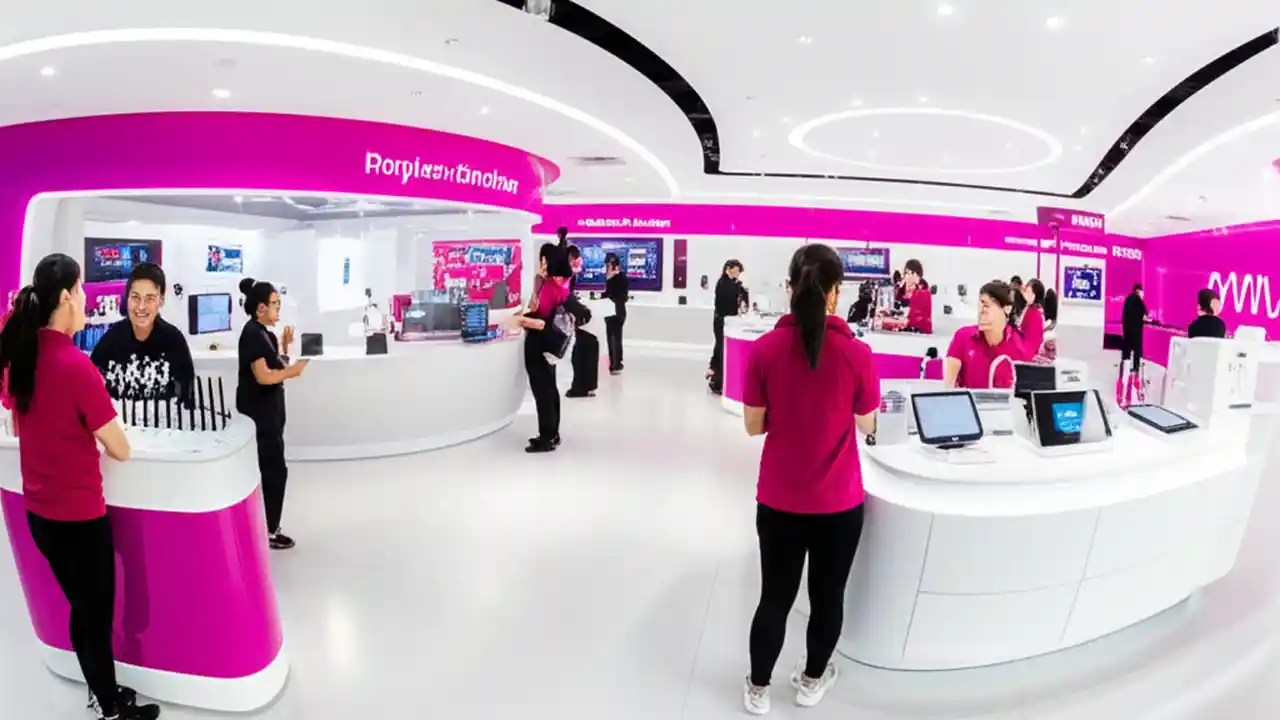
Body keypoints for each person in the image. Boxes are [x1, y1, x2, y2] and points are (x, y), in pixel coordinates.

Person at [0, 254, 160, 720]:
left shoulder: (24, 356)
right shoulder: (75, 366)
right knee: (94, 616)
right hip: (80, 521)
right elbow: (120, 448)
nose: (88, 298)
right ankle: (110, 707)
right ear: (67, 295)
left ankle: (99, 688)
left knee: (81, 608)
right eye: (83, 289)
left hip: (40, 516)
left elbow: (17, 413)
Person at [740, 244, 879, 715]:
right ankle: (812, 681)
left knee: (774, 598)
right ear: (836, 292)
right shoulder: (857, 354)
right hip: (838, 504)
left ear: (790, 288)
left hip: (779, 500)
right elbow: (868, 423)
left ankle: (758, 688)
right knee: (827, 597)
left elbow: (753, 425)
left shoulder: (764, 350)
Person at [236, 278, 308, 551]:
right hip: (261, 417)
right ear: (261, 308)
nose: (279, 309)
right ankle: (269, 529)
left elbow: (275, 364)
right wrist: (293, 371)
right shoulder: (252, 334)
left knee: (274, 470)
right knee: (273, 472)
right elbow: (264, 376)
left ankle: (269, 526)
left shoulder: (265, 334)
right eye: (275, 304)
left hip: (271, 416)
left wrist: (286, 348)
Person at [90, 262, 194, 406]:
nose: (141, 306)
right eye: (135, 297)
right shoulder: (110, 341)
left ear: (161, 301)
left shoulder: (174, 341)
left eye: (150, 298)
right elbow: (90, 394)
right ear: (127, 298)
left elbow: (187, 400)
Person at [509, 243, 572, 452]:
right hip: (546, 345)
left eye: (542, 259)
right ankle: (551, 433)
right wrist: (537, 281)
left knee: (543, 390)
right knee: (549, 388)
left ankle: (547, 436)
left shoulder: (552, 288)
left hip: (541, 342)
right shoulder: (551, 284)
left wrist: (519, 320)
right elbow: (534, 306)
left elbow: (541, 320)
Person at [943, 280, 1025, 389]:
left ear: (1007, 309)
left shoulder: (1018, 346)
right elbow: (948, 387)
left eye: (986, 306)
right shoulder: (963, 337)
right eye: (980, 306)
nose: (981, 312)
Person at [565, 246, 599, 398]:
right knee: (582, 349)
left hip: (578, 318)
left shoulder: (569, 276)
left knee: (584, 349)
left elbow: (566, 296)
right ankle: (585, 386)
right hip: (573, 317)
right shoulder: (565, 276)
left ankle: (584, 386)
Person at [708, 259, 745, 395]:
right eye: (737, 271)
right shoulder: (725, 284)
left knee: (719, 347)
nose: (738, 274)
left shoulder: (727, 283)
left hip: (721, 320)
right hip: (722, 321)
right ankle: (717, 380)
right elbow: (730, 304)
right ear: (729, 269)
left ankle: (713, 372)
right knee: (721, 349)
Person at [602, 253, 629, 375]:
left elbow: (619, 296)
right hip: (614, 311)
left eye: (608, 265)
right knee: (614, 337)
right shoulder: (616, 278)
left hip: (615, 311)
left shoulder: (617, 279)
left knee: (614, 337)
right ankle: (615, 362)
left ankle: (615, 363)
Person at [1121, 283, 1151, 374]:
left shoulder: (1128, 298)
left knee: (1127, 350)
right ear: (1139, 291)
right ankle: (1135, 368)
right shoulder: (1138, 300)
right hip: (1136, 330)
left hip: (1127, 329)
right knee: (1137, 350)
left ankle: (1125, 368)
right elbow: (1145, 315)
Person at [1015, 278, 1047, 361]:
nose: (1025, 294)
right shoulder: (1029, 308)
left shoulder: (1035, 314)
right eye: (1026, 291)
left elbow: (1032, 341)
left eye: (1028, 292)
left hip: (1027, 354)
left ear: (1035, 295)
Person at [902, 259, 933, 333]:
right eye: (906, 273)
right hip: (916, 329)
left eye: (911, 273)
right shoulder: (913, 289)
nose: (908, 277)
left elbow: (913, 317)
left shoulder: (922, 292)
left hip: (917, 330)